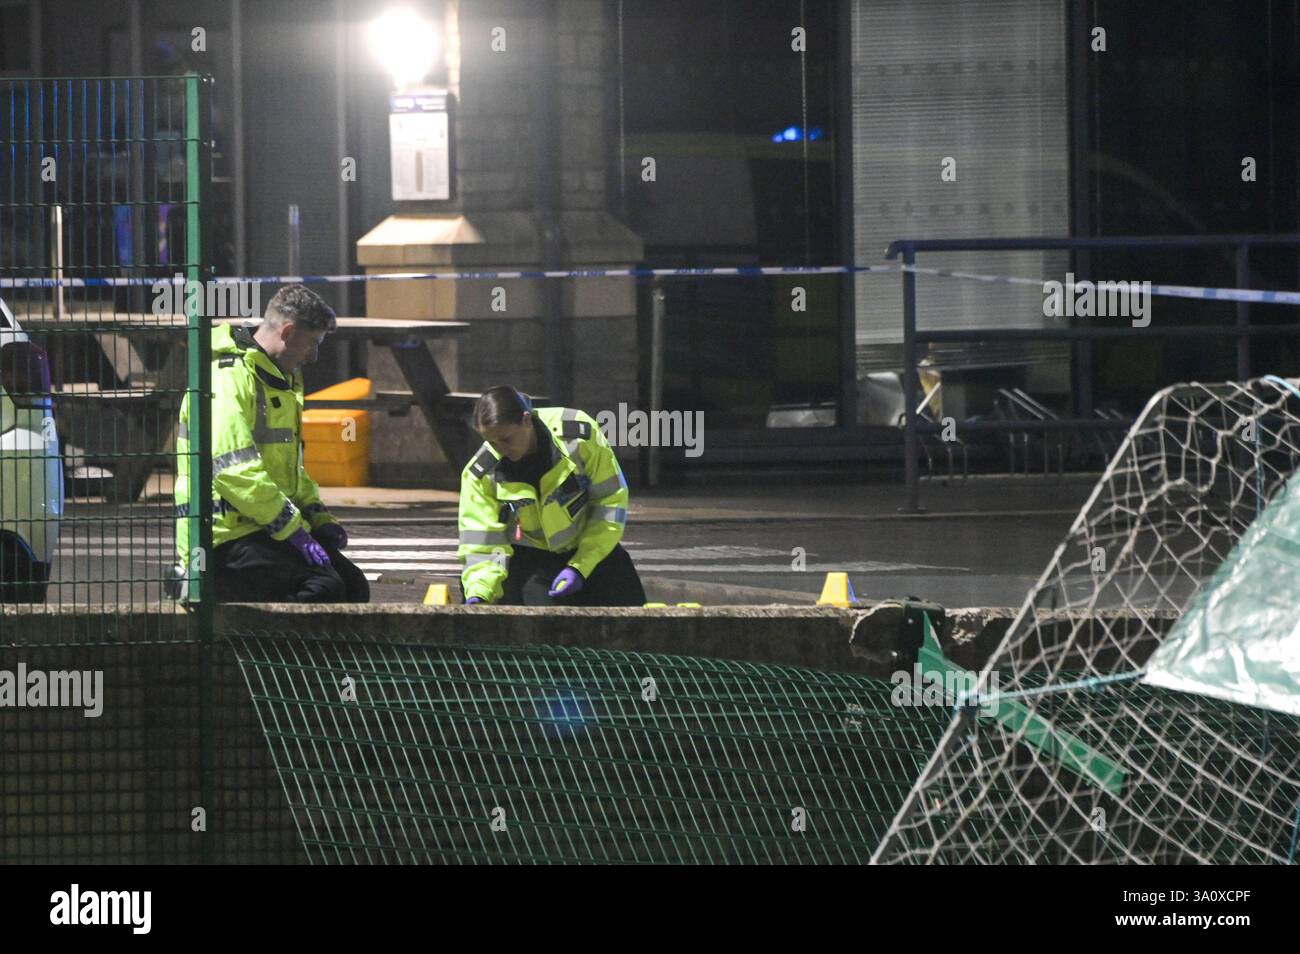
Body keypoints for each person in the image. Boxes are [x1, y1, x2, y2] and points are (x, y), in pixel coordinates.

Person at [172, 284, 369, 603]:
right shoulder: (228, 379)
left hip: (261, 527)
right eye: (311, 344)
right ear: (288, 332)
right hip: (221, 537)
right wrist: (295, 532)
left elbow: (291, 469)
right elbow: (234, 473)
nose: (313, 357)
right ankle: (244, 634)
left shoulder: (279, 381)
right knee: (325, 588)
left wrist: (318, 518)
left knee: (354, 586)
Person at [458, 386, 645, 606]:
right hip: (530, 556)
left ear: (526, 420)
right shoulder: (480, 475)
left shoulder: (577, 437)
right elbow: (483, 545)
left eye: (506, 439)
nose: (500, 449)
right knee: (540, 620)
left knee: (630, 606)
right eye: (491, 442)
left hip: (589, 546)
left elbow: (609, 503)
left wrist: (580, 566)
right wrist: (479, 593)